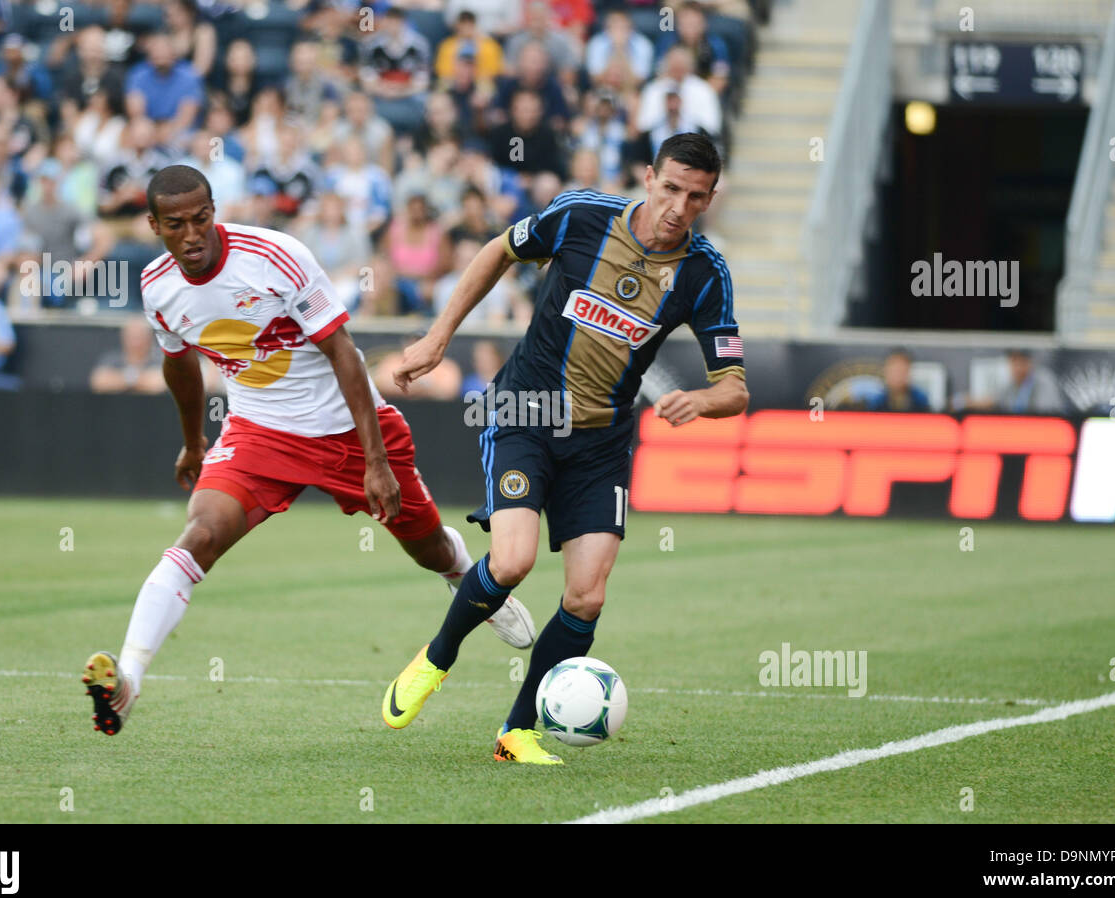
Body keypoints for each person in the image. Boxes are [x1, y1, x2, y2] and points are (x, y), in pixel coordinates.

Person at [81, 165, 536, 736]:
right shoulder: (157, 285)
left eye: (202, 218)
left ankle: (463, 570)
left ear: (215, 210)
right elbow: (180, 364)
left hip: (347, 430)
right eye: (176, 225)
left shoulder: (274, 256)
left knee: (426, 550)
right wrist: (194, 440)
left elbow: (344, 352)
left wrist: (374, 462)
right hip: (258, 434)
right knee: (200, 534)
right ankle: (129, 678)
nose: (192, 234)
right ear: (153, 225)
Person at [382, 133, 749, 763]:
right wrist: (439, 336)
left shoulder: (704, 273)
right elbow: (499, 250)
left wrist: (702, 401)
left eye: (695, 197)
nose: (678, 208)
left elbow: (736, 388)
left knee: (587, 596)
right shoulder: (581, 216)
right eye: (670, 189)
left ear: (710, 198)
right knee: (514, 561)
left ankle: (517, 731)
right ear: (647, 178)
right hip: (525, 413)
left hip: (602, 443)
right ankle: (436, 657)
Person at [90, 315, 166, 393]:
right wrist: (136, 379)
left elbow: (159, 384)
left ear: (149, 338)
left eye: (139, 337)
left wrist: (119, 379)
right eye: (131, 337)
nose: (135, 342)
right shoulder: (112, 358)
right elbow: (98, 382)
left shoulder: (160, 359)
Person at [859, 348, 930, 412]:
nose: (898, 375)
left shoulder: (920, 401)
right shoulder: (876, 402)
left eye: (902, 370)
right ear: (886, 371)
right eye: (894, 370)